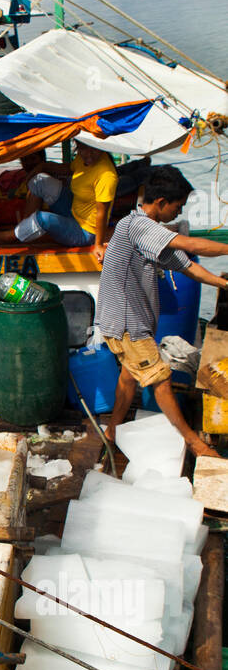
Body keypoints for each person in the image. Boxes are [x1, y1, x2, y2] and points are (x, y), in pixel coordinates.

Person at [96, 164, 227, 458]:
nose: (178, 214)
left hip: (125, 320)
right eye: (177, 207)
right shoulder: (139, 226)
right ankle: (196, 444)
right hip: (127, 322)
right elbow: (192, 245)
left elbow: (189, 267)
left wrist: (222, 283)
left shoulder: (144, 233)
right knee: (160, 378)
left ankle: (113, 430)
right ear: (160, 203)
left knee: (130, 377)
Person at [15, 139, 118, 260]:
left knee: (42, 218)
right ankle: (25, 229)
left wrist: (98, 245)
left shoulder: (106, 175)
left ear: (100, 146)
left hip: (86, 232)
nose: (88, 154)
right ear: (78, 146)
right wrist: (42, 166)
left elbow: (102, 213)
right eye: (83, 148)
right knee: (40, 180)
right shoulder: (82, 158)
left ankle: (4, 236)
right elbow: (69, 169)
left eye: (93, 149)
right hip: (73, 211)